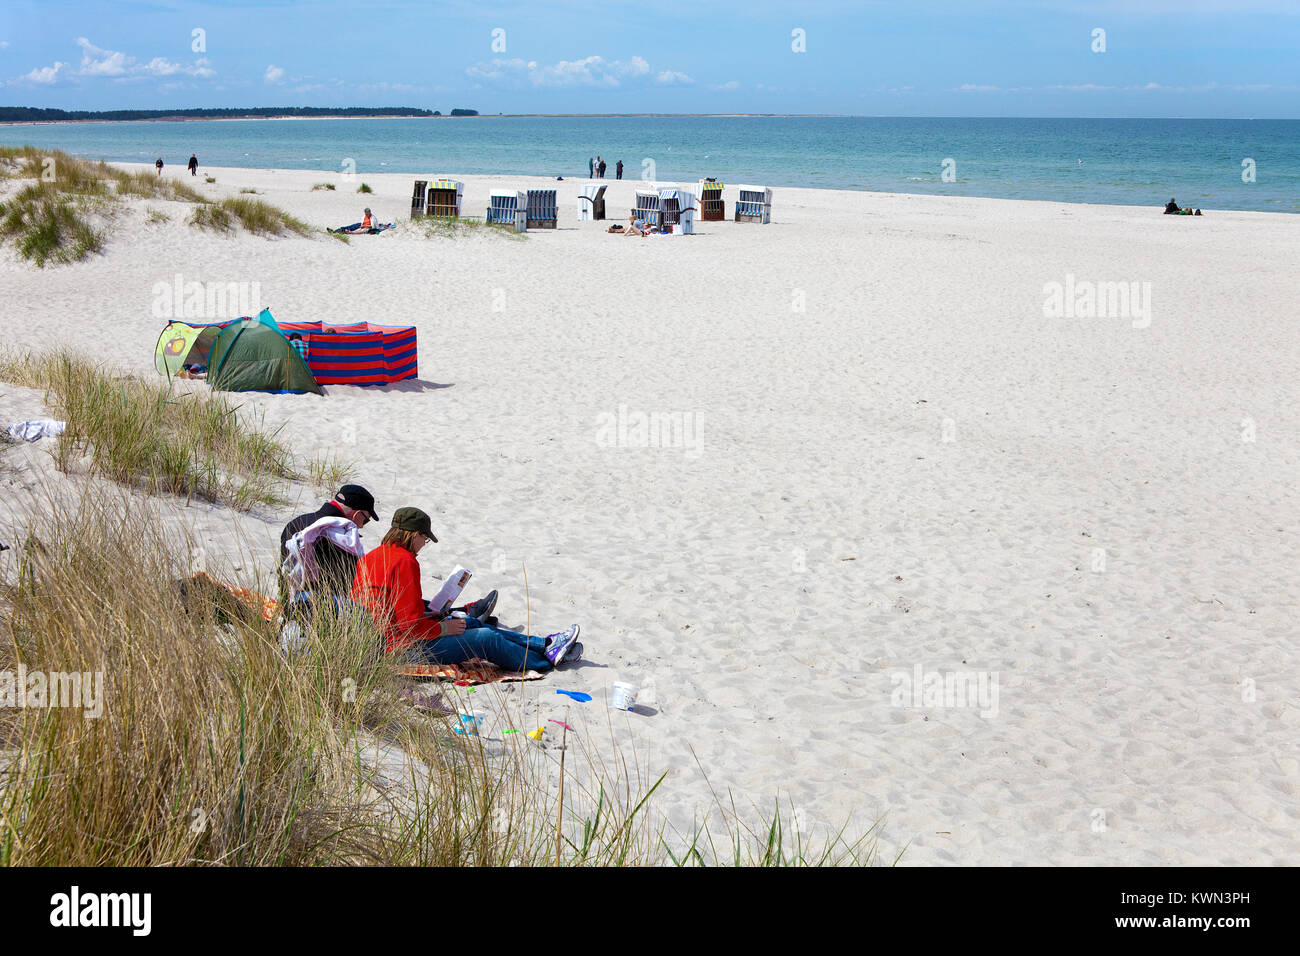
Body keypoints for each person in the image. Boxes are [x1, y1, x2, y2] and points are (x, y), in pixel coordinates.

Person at [352, 507, 582, 672]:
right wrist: (443, 628)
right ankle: (545, 663)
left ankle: (546, 645)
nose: (424, 545)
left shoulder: (372, 557)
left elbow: (391, 610)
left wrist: (431, 617)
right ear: (415, 535)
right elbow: (408, 627)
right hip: (399, 649)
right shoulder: (405, 561)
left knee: (471, 623)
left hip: (378, 640)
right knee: (485, 638)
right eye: (425, 539)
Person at [280, 484, 379, 605]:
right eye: (366, 520)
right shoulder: (343, 538)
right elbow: (345, 583)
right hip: (319, 607)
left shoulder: (296, 522)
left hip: (288, 601)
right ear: (357, 513)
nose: (361, 526)